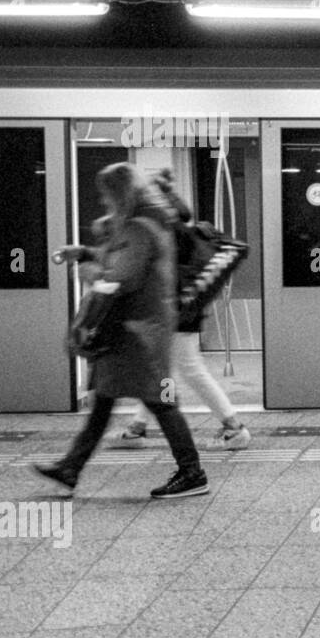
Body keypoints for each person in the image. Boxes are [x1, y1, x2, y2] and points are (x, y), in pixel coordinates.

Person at [33, 163, 209, 499]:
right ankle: (70, 468)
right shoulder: (145, 222)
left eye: (106, 194)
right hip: (135, 329)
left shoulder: (140, 226)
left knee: (162, 400)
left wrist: (90, 275)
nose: (103, 201)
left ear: (119, 193)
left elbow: (122, 277)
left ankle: (192, 472)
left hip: (138, 331)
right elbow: (120, 257)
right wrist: (85, 252)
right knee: (107, 400)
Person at [112, 169, 251, 450]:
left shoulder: (168, 231)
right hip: (181, 308)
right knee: (168, 370)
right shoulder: (177, 227)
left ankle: (233, 426)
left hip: (175, 310)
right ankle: (137, 428)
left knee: (186, 369)